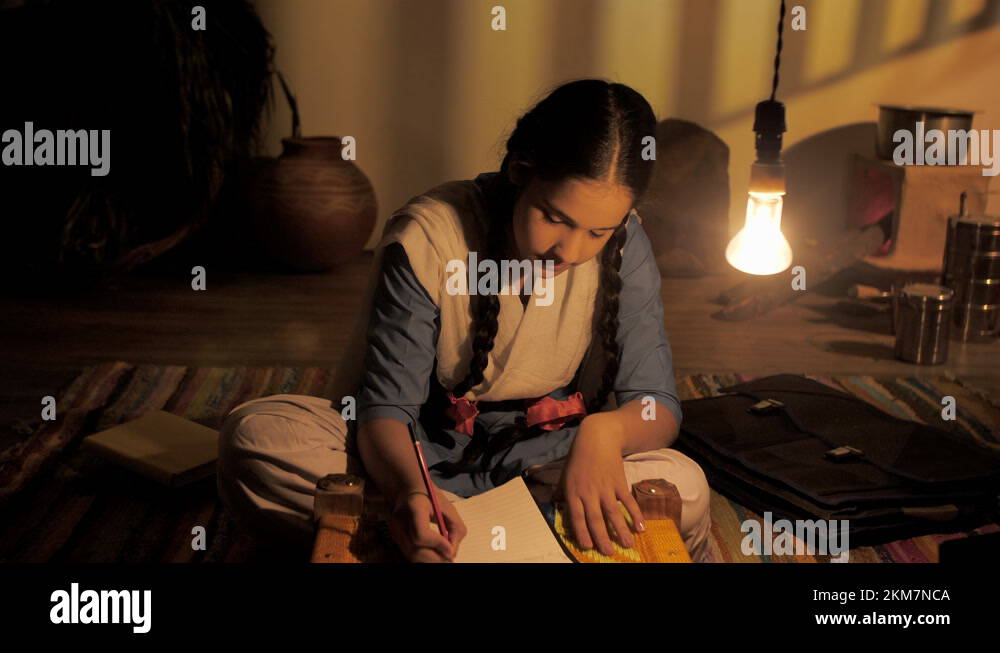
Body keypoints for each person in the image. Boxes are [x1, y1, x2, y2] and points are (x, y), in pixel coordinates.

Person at [217, 78, 712, 563]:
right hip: (425, 458)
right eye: (554, 218)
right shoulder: (430, 237)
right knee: (257, 440)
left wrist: (603, 435)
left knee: (683, 486)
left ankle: (426, 544)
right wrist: (410, 495)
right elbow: (386, 408)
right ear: (521, 169)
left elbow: (657, 407)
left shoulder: (628, 244)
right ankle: (481, 536)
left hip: (548, 463)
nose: (570, 250)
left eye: (597, 231)